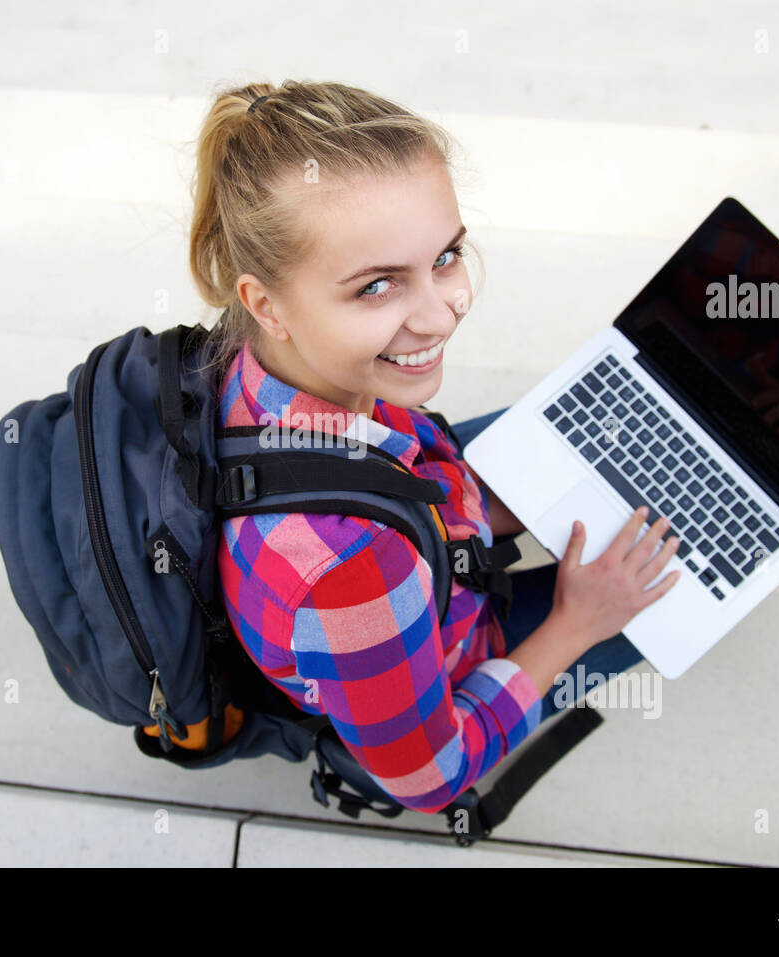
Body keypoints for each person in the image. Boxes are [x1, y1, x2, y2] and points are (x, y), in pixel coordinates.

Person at [187, 80, 681, 814]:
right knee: (670, 590)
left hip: (406, 509)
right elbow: (432, 775)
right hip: (409, 622)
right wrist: (578, 622)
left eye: (446, 256)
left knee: (633, 434)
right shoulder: (353, 573)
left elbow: (387, 459)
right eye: (378, 286)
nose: (444, 309)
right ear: (267, 302)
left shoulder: (257, 358)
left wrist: (481, 509)